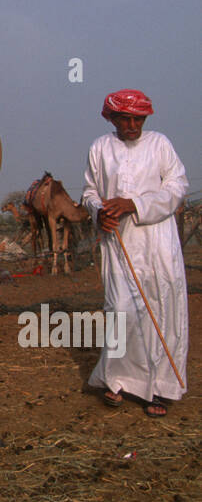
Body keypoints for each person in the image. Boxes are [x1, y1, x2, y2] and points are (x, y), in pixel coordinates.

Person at [82, 90, 188, 417]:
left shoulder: (160, 145)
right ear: (111, 118)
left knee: (161, 308)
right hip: (119, 242)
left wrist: (134, 204)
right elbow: (90, 191)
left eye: (139, 118)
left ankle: (160, 388)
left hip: (157, 240)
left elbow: (177, 187)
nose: (133, 124)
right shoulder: (100, 148)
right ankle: (117, 379)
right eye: (126, 118)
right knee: (121, 308)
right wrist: (99, 210)